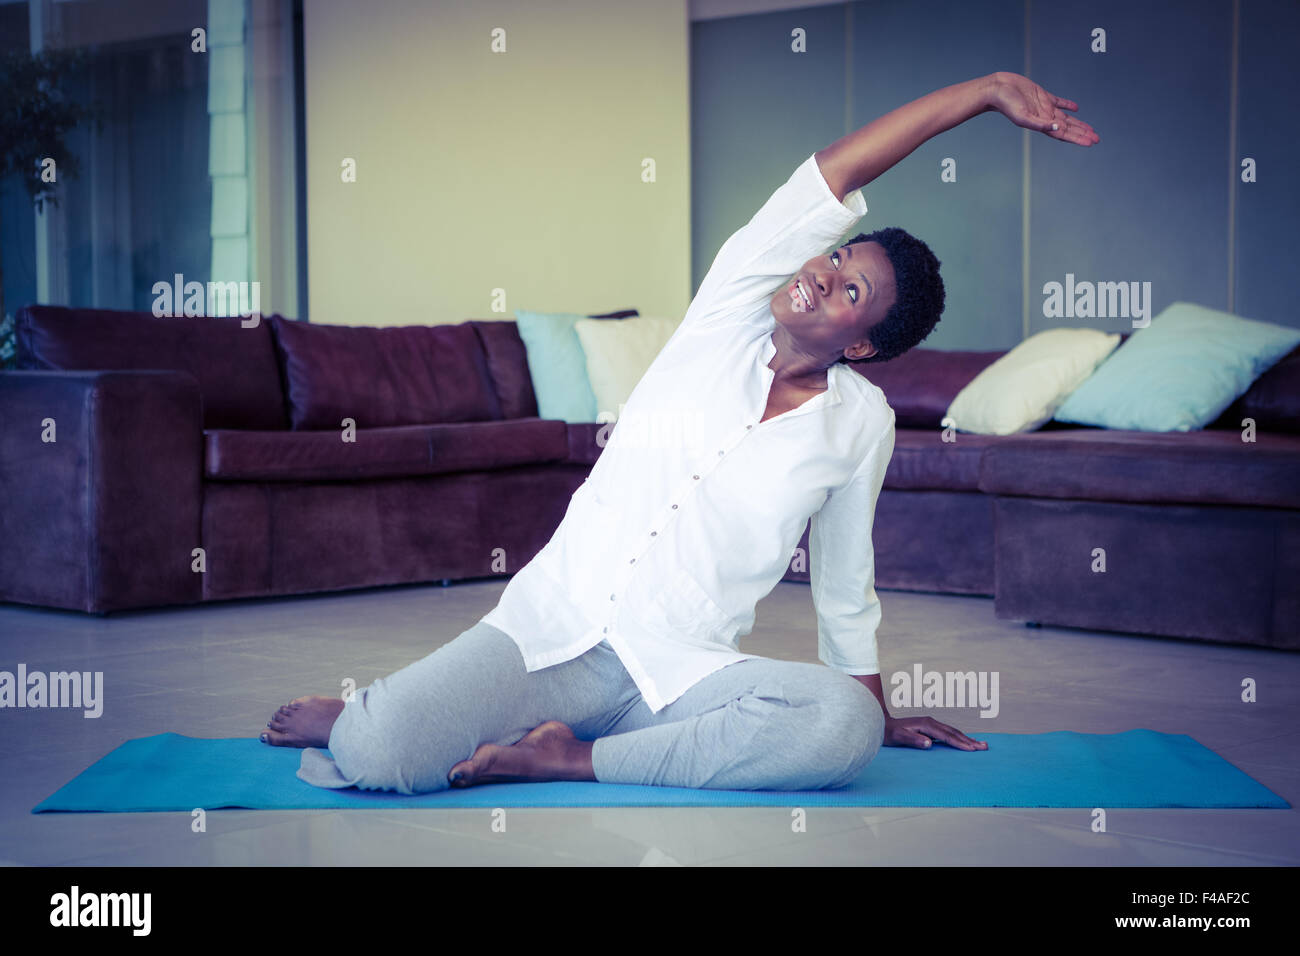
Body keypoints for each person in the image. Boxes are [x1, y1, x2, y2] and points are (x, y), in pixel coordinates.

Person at [261, 71, 1098, 793]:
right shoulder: (729, 310)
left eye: (850, 293)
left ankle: (570, 760)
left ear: (864, 344)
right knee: (375, 752)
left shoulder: (859, 425)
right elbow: (835, 171)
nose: (823, 276)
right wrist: (984, 95)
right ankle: (368, 711)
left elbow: (847, 583)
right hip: (553, 630)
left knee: (838, 727)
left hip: (680, 671)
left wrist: (873, 711)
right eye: (839, 259)